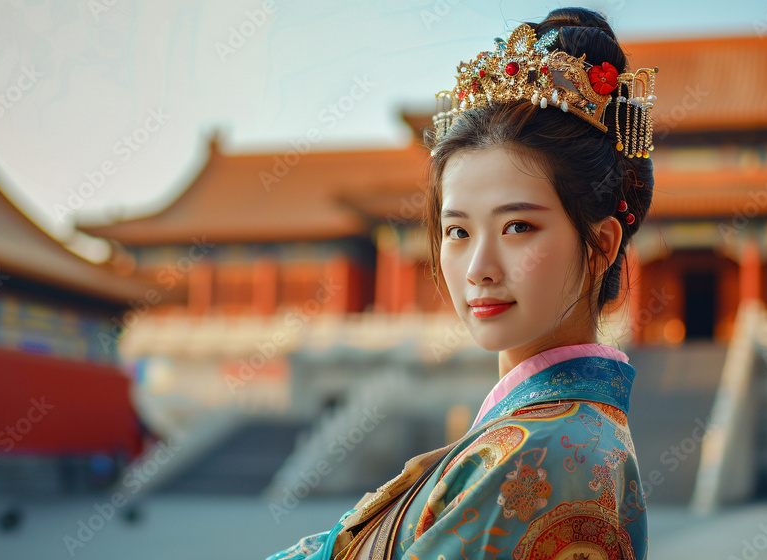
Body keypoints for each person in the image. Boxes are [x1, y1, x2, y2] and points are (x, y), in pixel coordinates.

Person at [267, 6, 656, 559]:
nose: (479, 267)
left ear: (602, 244)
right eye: (457, 230)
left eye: (518, 226)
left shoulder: (540, 455)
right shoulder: (543, 434)